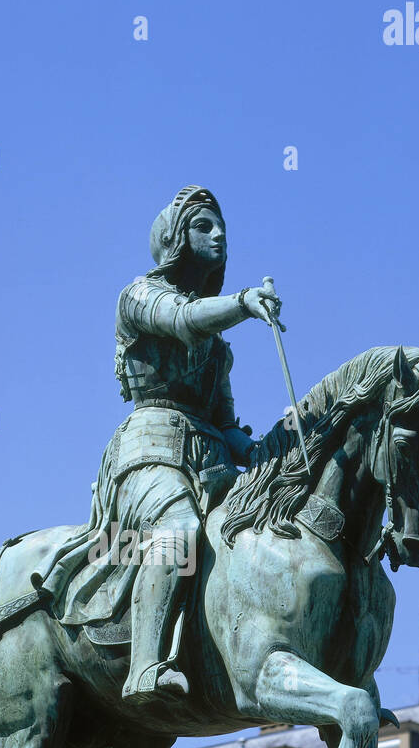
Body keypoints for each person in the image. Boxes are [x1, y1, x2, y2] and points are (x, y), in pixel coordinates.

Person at [33, 185, 281, 706]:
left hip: (211, 461)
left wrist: (266, 448)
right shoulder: (140, 296)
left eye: (222, 229)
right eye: (204, 226)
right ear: (175, 237)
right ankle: (145, 664)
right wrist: (241, 303)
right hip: (150, 452)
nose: (219, 237)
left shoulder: (219, 348)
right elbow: (183, 322)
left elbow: (227, 424)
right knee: (181, 528)